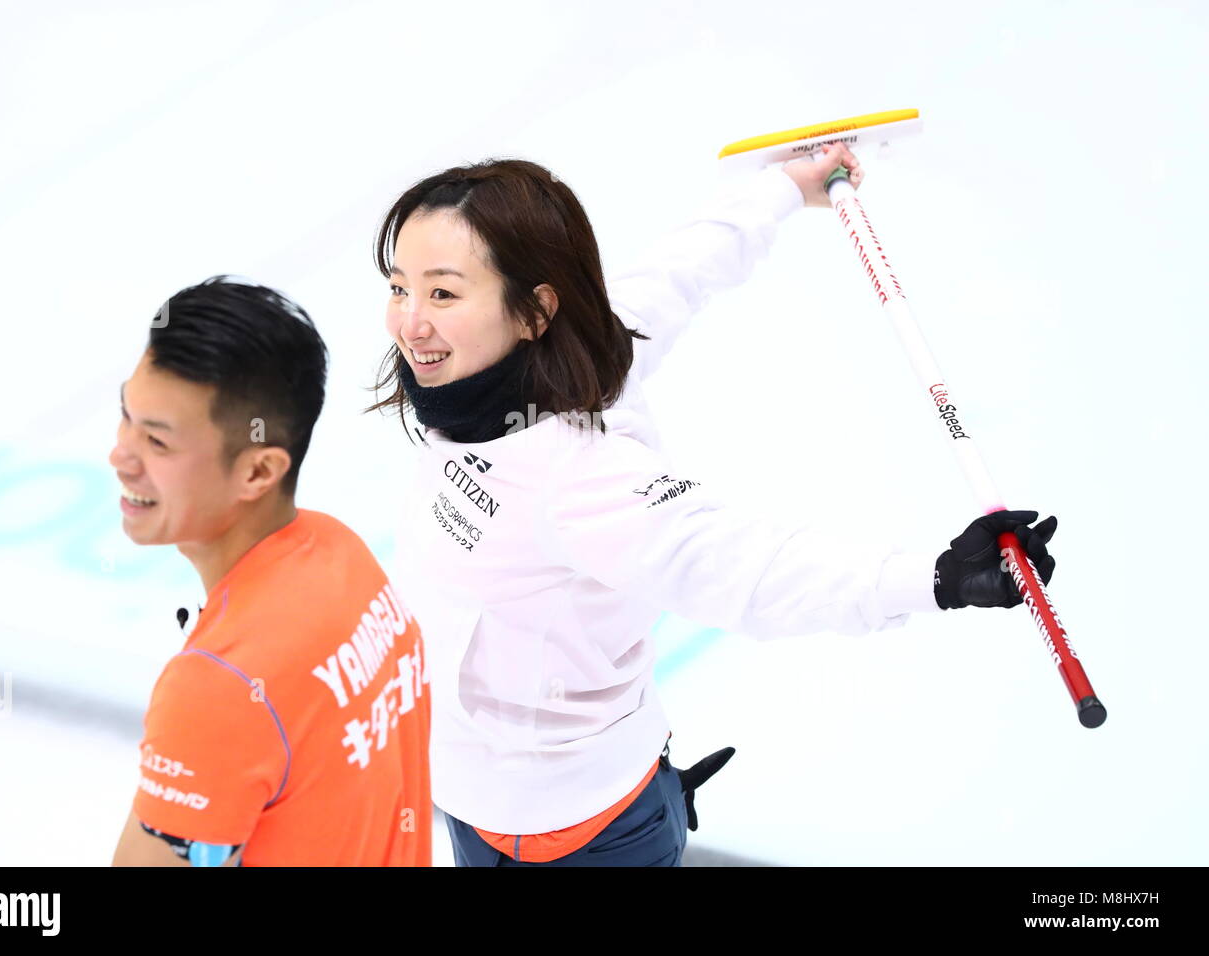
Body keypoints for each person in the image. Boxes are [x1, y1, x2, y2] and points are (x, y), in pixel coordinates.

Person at [366, 143, 1059, 867]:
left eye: (443, 294)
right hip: (470, 800)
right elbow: (677, 273)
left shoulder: (581, 480)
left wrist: (940, 579)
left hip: (579, 839)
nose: (408, 324)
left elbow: (750, 570)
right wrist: (782, 189)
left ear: (537, 310)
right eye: (398, 287)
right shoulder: (500, 380)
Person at [109, 276, 431, 866]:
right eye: (127, 415)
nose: (120, 456)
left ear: (258, 472)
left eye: (156, 441)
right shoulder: (346, 557)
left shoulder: (219, 686)